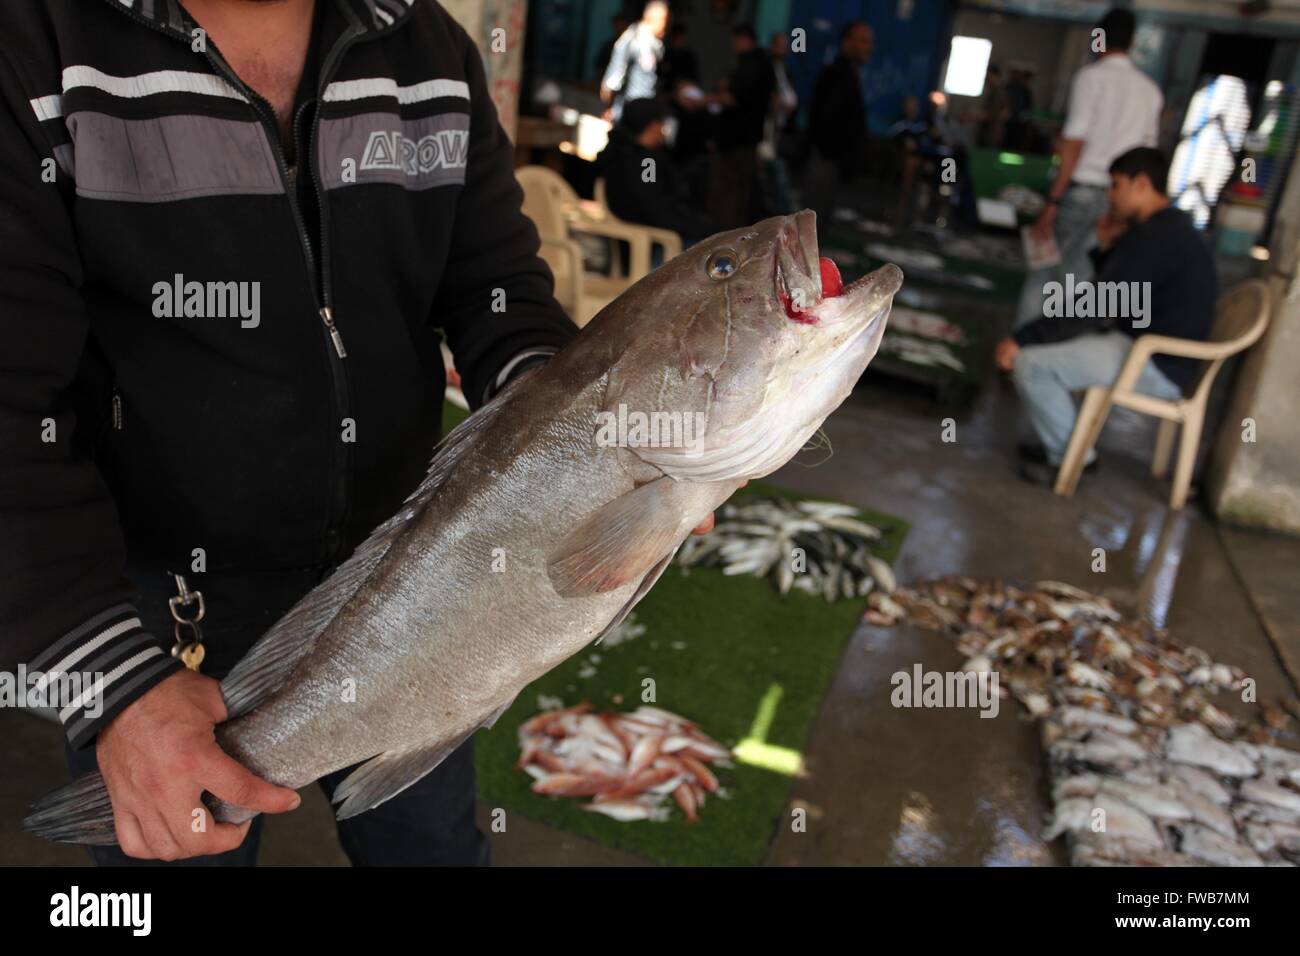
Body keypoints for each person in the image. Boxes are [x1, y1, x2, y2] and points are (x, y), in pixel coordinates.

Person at [0, 0, 721, 865]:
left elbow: (494, 288)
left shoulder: (427, 51)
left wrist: (585, 445)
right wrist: (111, 685)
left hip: (416, 575)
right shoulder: (37, 47)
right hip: (159, 618)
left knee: (433, 848)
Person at [995, 148, 1218, 486]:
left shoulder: (1156, 237)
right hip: (1151, 349)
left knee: (1031, 364)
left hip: (1157, 362)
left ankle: (1075, 459)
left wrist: (1023, 338)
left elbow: (1097, 303)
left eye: (1115, 186)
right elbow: (1120, 293)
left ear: (1141, 183)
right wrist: (1105, 245)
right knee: (1048, 351)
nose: (1110, 197)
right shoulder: (1163, 229)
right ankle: (1067, 446)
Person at [1014, 7, 1163, 329]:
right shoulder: (1150, 92)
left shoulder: (1091, 78)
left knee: (1046, 271)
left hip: (1081, 191)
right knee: (1082, 280)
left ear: (1100, 38)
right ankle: (1051, 349)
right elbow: (1147, 159)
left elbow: (1074, 143)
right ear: (1134, 42)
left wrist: (1052, 202)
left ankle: (1019, 349)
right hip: (1121, 201)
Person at [595, 99, 715, 244]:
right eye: (662, 123)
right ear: (652, 126)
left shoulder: (618, 154)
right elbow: (653, 207)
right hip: (650, 242)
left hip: (632, 238)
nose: (663, 128)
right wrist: (704, 229)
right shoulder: (647, 163)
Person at [703, 23, 775, 230]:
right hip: (743, 137)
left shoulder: (753, 65)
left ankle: (723, 236)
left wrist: (704, 100)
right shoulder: (758, 64)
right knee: (735, 192)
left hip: (738, 139)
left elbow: (733, 98)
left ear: (744, 39)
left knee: (729, 193)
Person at [803, 20, 873, 223]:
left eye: (869, 42)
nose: (868, 47)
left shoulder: (849, 74)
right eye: (862, 41)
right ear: (847, 42)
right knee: (813, 224)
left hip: (832, 161)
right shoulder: (836, 75)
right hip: (826, 160)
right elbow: (827, 120)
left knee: (821, 219)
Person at [600, 0, 669, 121]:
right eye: (663, 20)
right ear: (652, 18)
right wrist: (611, 107)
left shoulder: (655, 44)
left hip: (647, 107)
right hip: (629, 108)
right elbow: (614, 76)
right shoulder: (633, 39)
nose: (665, 25)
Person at [759, 31, 799, 215]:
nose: (782, 50)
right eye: (779, 45)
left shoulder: (785, 71)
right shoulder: (766, 69)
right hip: (765, 131)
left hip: (780, 132)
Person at [974, 63, 1007, 149]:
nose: (986, 78)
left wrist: (971, 117)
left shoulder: (998, 93)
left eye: (988, 75)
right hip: (988, 133)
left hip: (990, 135)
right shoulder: (993, 92)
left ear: (994, 76)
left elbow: (993, 114)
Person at [594, 11, 632, 81]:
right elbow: (599, 68)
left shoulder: (635, 46)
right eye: (617, 24)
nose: (619, 27)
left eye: (621, 24)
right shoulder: (608, 45)